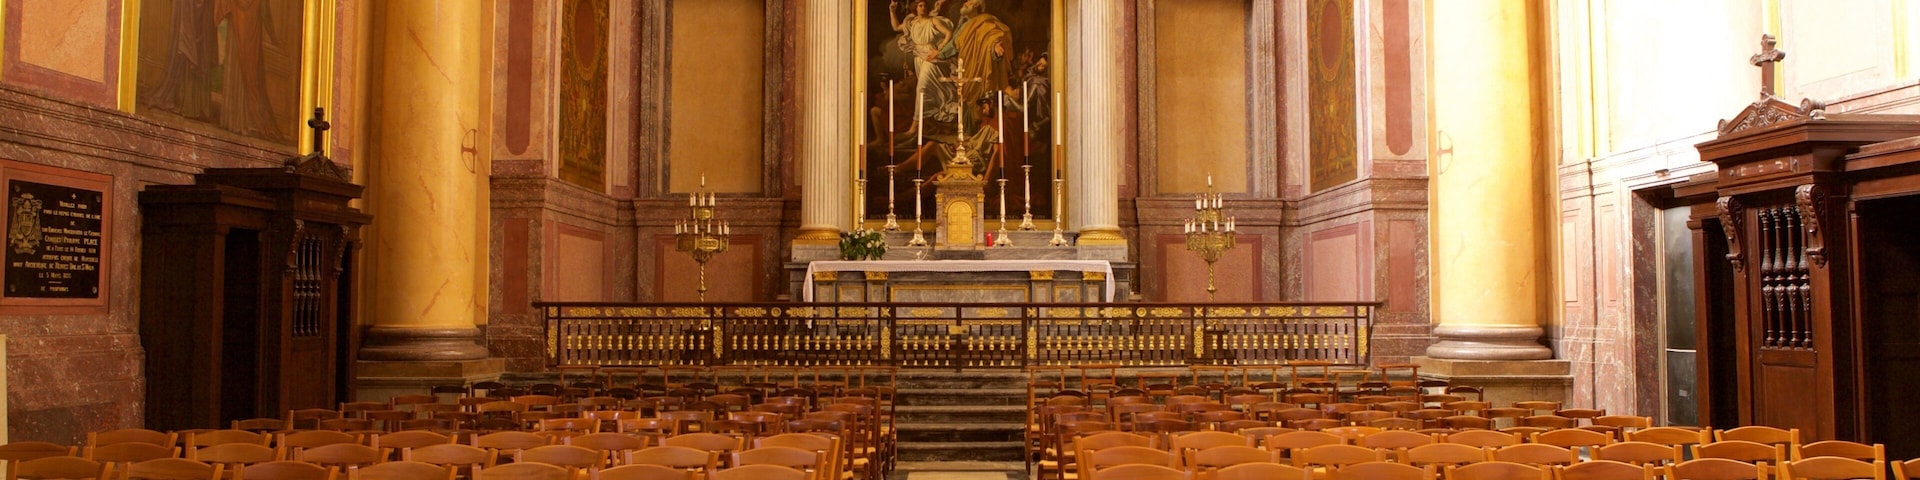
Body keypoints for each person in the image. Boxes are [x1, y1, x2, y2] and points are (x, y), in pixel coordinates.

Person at [891, 0, 957, 126]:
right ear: (915, 8)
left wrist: (939, 48)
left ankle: (915, 125)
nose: (923, 8)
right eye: (920, 6)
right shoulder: (912, 22)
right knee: (934, 90)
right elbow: (895, 27)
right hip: (919, 58)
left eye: (925, 5)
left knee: (922, 88)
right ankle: (927, 122)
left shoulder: (933, 21)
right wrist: (892, 11)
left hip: (931, 57)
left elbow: (949, 33)